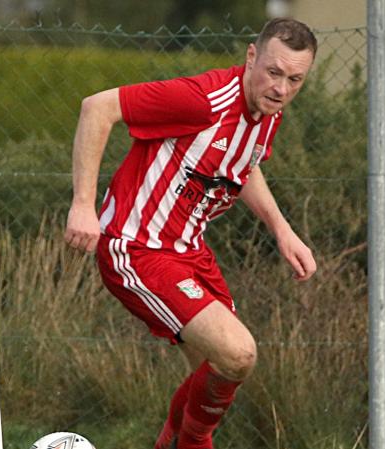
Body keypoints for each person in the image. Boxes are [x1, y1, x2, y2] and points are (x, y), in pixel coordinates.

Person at [64, 18, 318, 449]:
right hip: (137, 247)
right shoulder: (201, 99)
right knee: (238, 353)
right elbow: (98, 108)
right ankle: (193, 441)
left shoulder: (265, 113)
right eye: (274, 73)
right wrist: (83, 205)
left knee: (218, 370)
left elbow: (242, 162)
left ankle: (178, 440)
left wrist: (282, 230)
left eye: (295, 79)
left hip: (190, 253)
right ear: (251, 56)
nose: (281, 88)